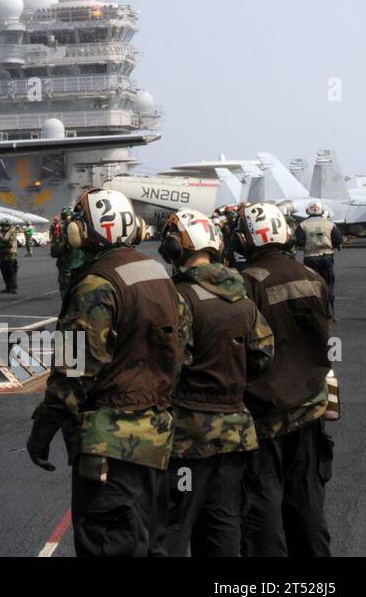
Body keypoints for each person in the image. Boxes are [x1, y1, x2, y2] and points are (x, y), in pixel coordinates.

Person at [27, 188, 190, 557]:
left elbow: (73, 371)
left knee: (108, 544)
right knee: (152, 545)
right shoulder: (160, 275)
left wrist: (43, 428)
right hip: (158, 440)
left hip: (109, 448)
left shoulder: (95, 285)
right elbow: (185, 346)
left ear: (83, 233)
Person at [158, 209, 274, 557]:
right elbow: (263, 354)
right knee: (223, 525)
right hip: (235, 434)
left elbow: (169, 361)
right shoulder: (240, 296)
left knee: (176, 524)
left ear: (176, 247)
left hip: (187, 438)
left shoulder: (178, 297)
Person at [235, 202, 335, 557]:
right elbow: (327, 341)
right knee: (308, 507)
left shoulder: (246, 283)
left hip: (264, 419)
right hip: (309, 412)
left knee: (262, 514)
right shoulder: (313, 278)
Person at [296, 201, 342, 310]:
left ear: (308, 211)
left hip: (310, 258)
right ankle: (331, 309)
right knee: (329, 284)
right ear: (321, 210)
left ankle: (317, 309)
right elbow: (339, 239)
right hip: (327, 257)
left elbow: (299, 242)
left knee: (313, 284)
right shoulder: (329, 224)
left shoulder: (303, 225)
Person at [49, 206, 84, 301]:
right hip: (82, 268)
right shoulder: (83, 230)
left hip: (66, 269)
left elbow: (55, 252)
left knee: (66, 295)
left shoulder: (62, 233)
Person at [0, 223, 19, 294]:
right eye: (3, 225)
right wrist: (3, 243)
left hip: (11, 256)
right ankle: (8, 287)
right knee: (4, 273)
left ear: (9, 226)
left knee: (12, 272)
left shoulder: (12, 233)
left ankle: (13, 288)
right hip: (2, 256)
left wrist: (1, 241)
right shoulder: (0, 233)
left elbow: (10, 244)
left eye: (6, 225)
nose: (4, 227)